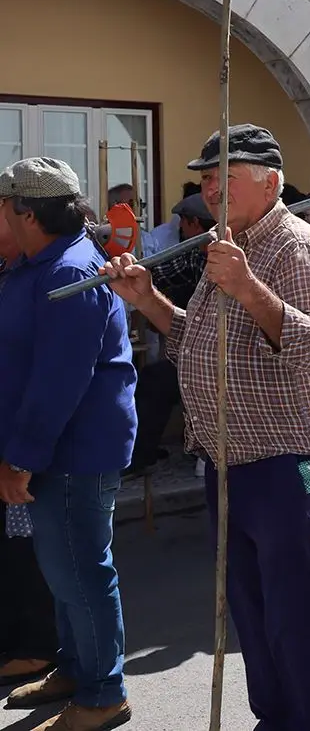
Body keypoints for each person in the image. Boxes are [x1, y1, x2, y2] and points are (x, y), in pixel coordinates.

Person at [100, 124, 310, 731]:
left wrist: (246, 285)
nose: (210, 188)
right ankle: (277, 718)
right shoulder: (229, 243)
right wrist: (147, 299)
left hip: (284, 459)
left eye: (224, 177)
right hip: (226, 459)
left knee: (293, 614)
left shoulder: (295, 246)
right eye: (207, 178)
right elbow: (203, 340)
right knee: (249, 608)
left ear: (269, 183)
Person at [0, 158, 135, 730]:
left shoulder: (69, 274)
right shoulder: (37, 264)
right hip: (50, 447)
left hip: (73, 450)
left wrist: (19, 461)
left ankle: (104, 695)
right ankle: (77, 668)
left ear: (26, 214)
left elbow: (58, 383)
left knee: (80, 571)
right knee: (62, 572)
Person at [0, 202, 60, 693]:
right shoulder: (14, 270)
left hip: (25, 434)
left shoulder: (51, 272)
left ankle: (36, 646)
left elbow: (47, 372)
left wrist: (20, 454)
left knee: (26, 544)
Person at [126, 193, 216, 477]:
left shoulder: (228, 258)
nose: (180, 231)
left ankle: (140, 457)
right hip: (196, 351)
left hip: (224, 359)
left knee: (155, 383)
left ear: (194, 225)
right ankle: (143, 455)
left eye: (184, 225)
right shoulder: (192, 255)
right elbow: (157, 274)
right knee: (157, 378)